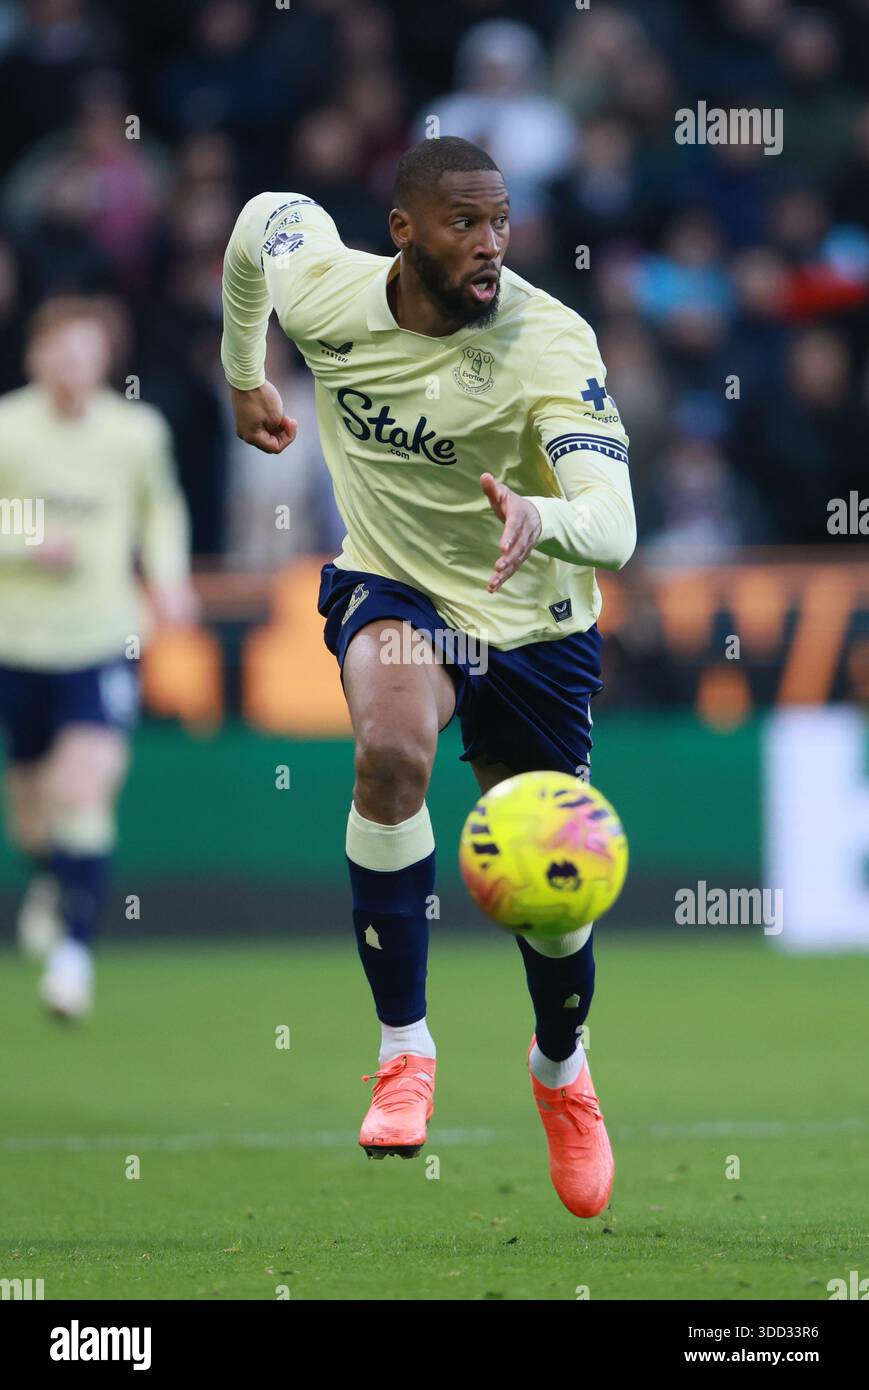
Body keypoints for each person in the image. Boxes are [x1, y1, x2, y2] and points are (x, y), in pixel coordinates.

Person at [220, 137, 636, 1218]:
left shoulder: (548, 342)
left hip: (535, 626)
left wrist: (544, 514)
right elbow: (260, 219)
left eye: (499, 219)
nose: (490, 242)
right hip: (395, 588)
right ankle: (404, 1047)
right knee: (392, 751)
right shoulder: (329, 292)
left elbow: (617, 521)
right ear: (403, 232)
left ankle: (559, 1067)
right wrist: (241, 375)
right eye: (463, 222)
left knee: (550, 907)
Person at [0, 297, 195, 1019]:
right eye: (60, 351)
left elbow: (160, 508)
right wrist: (30, 538)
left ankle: (75, 955)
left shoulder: (135, 431)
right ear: (36, 357)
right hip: (18, 642)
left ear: (104, 359)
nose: (73, 365)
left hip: (104, 638)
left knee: (84, 788)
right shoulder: (9, 429)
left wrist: (169, 583)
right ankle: (50, 876)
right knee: (33, 814)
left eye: (87, 352)